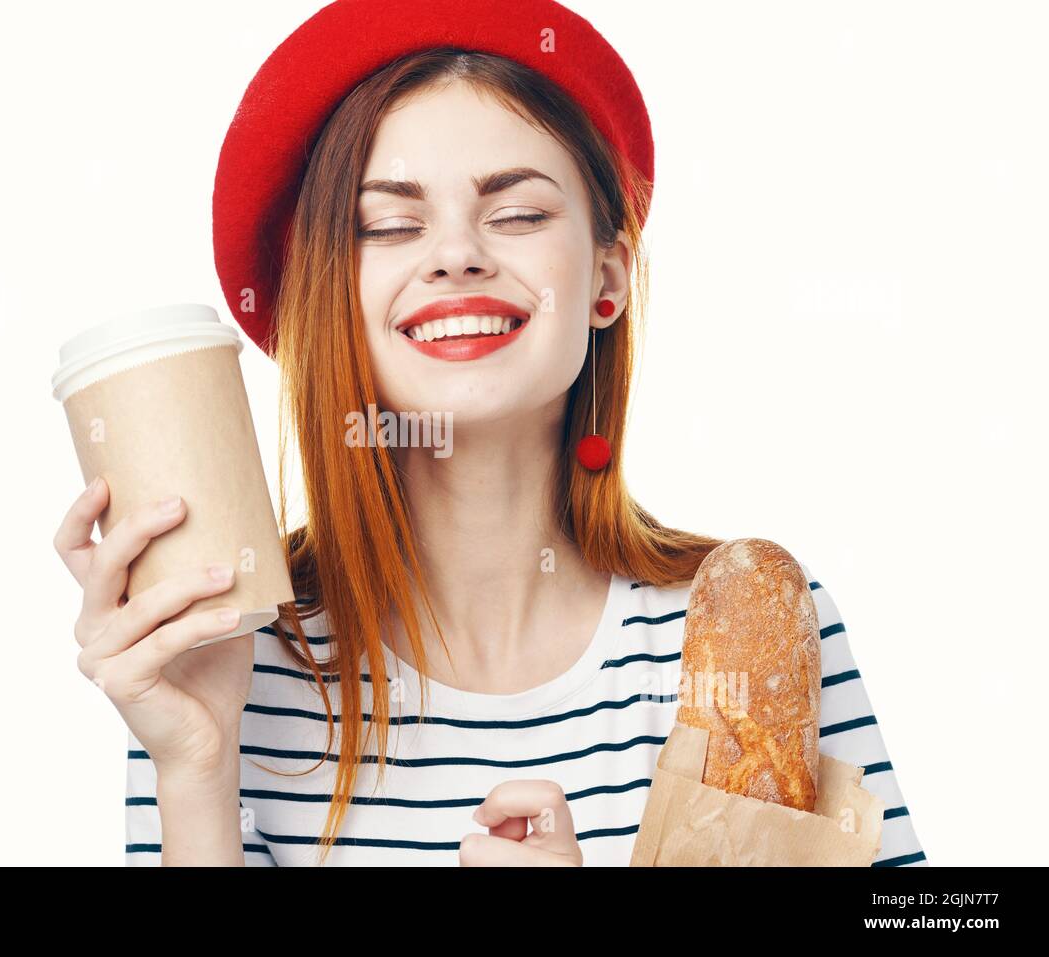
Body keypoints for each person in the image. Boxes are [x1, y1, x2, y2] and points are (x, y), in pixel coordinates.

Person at [53, 0, 928, 867]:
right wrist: (197, 766)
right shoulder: (222, 665)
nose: (456, 253)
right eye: (389, 225)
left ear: (606, 279)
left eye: (517, 215)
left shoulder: (751, 631)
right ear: (327, 301)